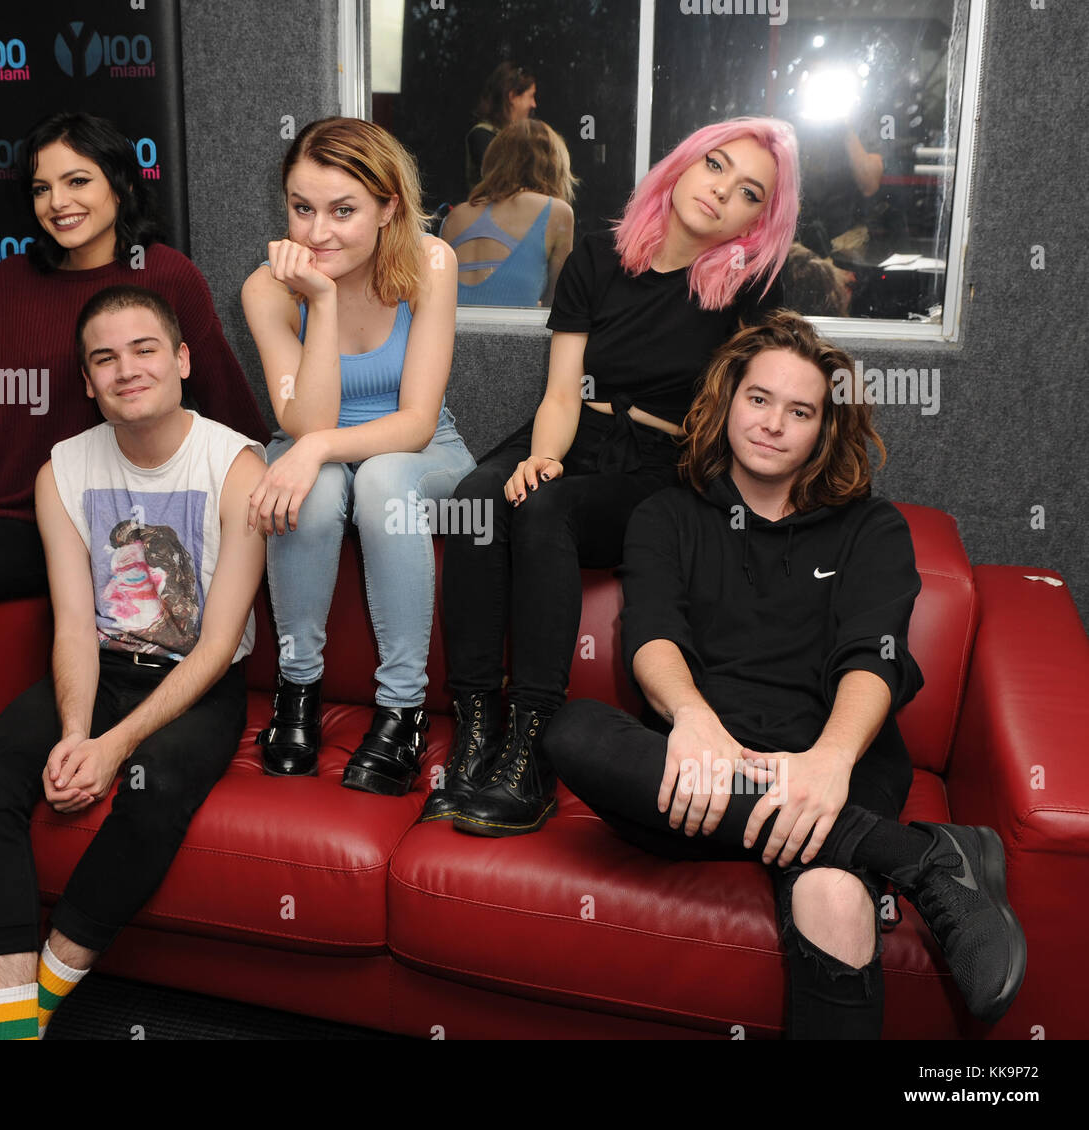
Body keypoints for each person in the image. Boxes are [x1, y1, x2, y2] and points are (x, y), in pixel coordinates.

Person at [543, 310, 1026, 1037]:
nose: (772, 423)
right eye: (758, 398)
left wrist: (828, 761)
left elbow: (876, 655)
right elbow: (652, 635)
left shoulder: (872, 528)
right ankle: (919, 859)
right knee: (574, 731)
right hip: (703, 771)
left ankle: (863, 847)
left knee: (834, 897)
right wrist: (694, 719)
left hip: (833, 766)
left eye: (799, 410)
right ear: (727, 401)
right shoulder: (665, 515)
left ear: (825, 429)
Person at [431, 117, 798, 835]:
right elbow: (562, 392)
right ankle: (475, 734)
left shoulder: (749, 290)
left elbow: (767, 400)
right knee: (476, 498)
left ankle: (532, 751)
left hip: (657, 465)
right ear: (684, 164)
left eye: (750, 192)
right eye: (716, 166)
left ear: (761, 220)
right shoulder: (598, 256)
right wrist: (543, 457)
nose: (722, 192)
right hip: (572, 429)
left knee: (548, 511)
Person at [0, 284, 266, 1040]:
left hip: (199, 681)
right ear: (88, 382)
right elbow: (71, 623)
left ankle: (42, 1001)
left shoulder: (237, 466)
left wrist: (111, 749)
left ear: (183, 360)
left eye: (144, 349)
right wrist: (74, 731)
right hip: (99, 667)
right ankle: (7, 1027)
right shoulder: (61, 470)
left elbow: (220, 642)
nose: (126, 370)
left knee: (150, 782)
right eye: (104, 358)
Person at [0, 110, 267, 635]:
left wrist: (276, 479)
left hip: (62, 521)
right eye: (42, 188)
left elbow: (224, 399)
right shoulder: (9, 280)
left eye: (77, 180)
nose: (58, 202)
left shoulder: (166, 275)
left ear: (123, 183)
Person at [242, 117, 475, 794]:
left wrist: (312, 446)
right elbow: (306, 417)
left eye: (343, 211)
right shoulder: (267, 288)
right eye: (302, 208)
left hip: (419, 450)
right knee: (307, 491)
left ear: (388, 207)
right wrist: (319, 300)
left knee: (380, 485)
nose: (317, 233)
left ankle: (402, 713)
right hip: (316, 441)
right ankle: (297, 692)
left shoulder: (432, 262)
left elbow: (415, 421)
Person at [442, 118, 577, 307]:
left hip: (453, 334)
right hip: (516, 334)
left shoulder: (455, 216)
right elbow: (557, 302)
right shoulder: (556, 211)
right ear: (553, 165)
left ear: (494, 159)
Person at [464, 61, 537, 193]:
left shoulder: (520, 139)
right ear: (512, 96)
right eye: (531, 96)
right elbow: (502, 183)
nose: (534, 104)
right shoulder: (482, 135)